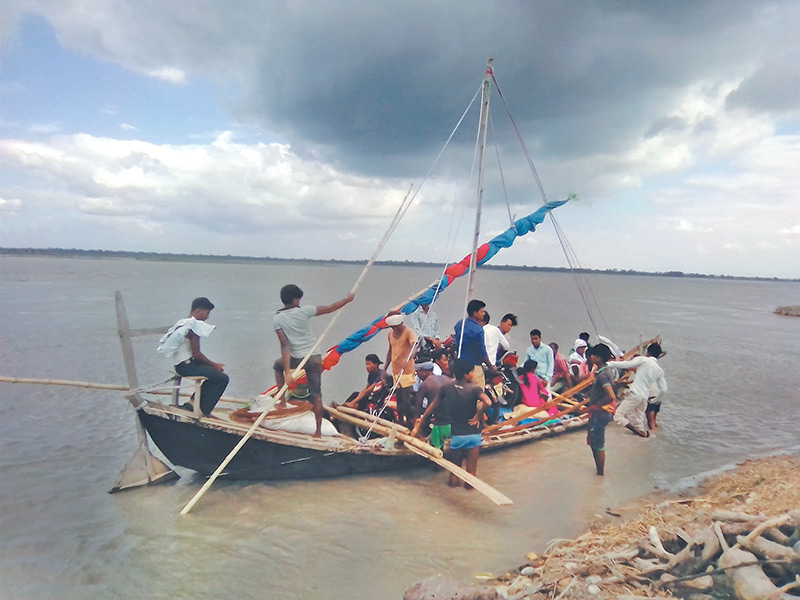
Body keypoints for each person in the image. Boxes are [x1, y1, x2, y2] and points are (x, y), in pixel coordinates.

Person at [273, 284, 355, 438]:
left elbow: (285, 347)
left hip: (297, 358)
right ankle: (317, 432)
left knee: (277, 367)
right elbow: (330, 308)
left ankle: (282, 402)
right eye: (299, 299)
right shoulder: (305, 311)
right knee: (316, 394)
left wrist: (287, 372)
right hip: (314, 357)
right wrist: (348, 299)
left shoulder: (277, 319)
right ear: (295, 300)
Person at [419, 357, 490, 487]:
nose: (473, 374)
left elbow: (434, 404)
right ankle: (469, 495)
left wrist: (422, 419)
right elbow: (488, 402)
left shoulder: (446, 387)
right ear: (466, 374)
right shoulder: (474, 389)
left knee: (454, 471)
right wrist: (478, 416)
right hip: (473, 434)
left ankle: (453, 490)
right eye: (472, 372)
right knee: (471, 473)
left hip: (457, 435)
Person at [157, 297, 229, 417]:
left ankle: (193, 402)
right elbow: (197, 354)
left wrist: (212, 366)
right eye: (207, 313)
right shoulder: (193, 327)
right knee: (223, 378)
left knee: (214, 374)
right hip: (187, 366)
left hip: (180, 364)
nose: (207, 317)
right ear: (198, 311)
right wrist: (214, 364)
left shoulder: (182, 322)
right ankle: (202, 410)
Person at [611, 342, 667, 437]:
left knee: (618, 416)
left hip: (640, 395)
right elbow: (663, 390)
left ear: (648, 352)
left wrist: (609, 364)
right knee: (641, 419)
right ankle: (644, 434)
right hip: (647, 397)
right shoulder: (657, 369)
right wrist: (655, 400)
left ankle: (639, 432)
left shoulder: (643, 362)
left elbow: (626, 364)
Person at [585, 343, 618, 476]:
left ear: (598, 358)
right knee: (594, 440)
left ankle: (600, 473)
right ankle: (598, 472)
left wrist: (596, 406)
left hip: (600, 413)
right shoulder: (602, 372)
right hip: (598, 412)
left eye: (593, 355)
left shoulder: (603, 375)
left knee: (598, 442)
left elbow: (611, 396)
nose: (591, 356)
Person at [453, 299, 497, 390]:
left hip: (459, 365)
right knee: (478, 392)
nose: (484, 313)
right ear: (475, 313)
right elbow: (482, 352)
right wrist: (491, 367)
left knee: (459, 390)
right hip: (474, 367)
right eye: (482, 311)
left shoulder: (460, 324)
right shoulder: (478, 330)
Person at [385, 311, 418, 429]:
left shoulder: (409, 332)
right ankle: (401, 422)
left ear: (400, 323)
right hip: (396, 371)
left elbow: (414, 346)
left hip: (407, 371)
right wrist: (384, 369)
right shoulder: (390, 334)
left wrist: (408, 358)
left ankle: (411, 421)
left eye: (395, 326)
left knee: (405, 398)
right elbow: (390, 352)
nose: (394, 329)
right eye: (392, 327)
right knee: (398, 399)